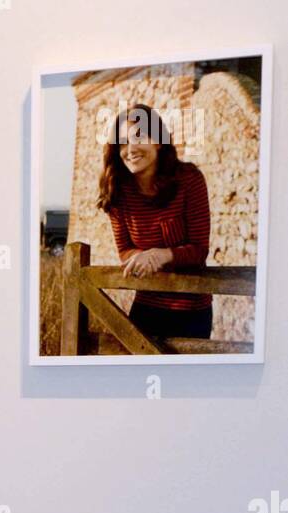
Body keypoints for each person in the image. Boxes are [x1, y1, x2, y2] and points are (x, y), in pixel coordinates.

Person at [98, 104, 212, 345]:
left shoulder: (189, 180)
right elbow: (125, 251)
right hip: (146, 308)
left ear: (159, 142)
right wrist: (142, 256)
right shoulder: (117, 191)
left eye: (139, 136)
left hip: (192, 311)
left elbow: (199, 249)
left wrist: (161, 255)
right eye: (122, 143)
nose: (130, 149)